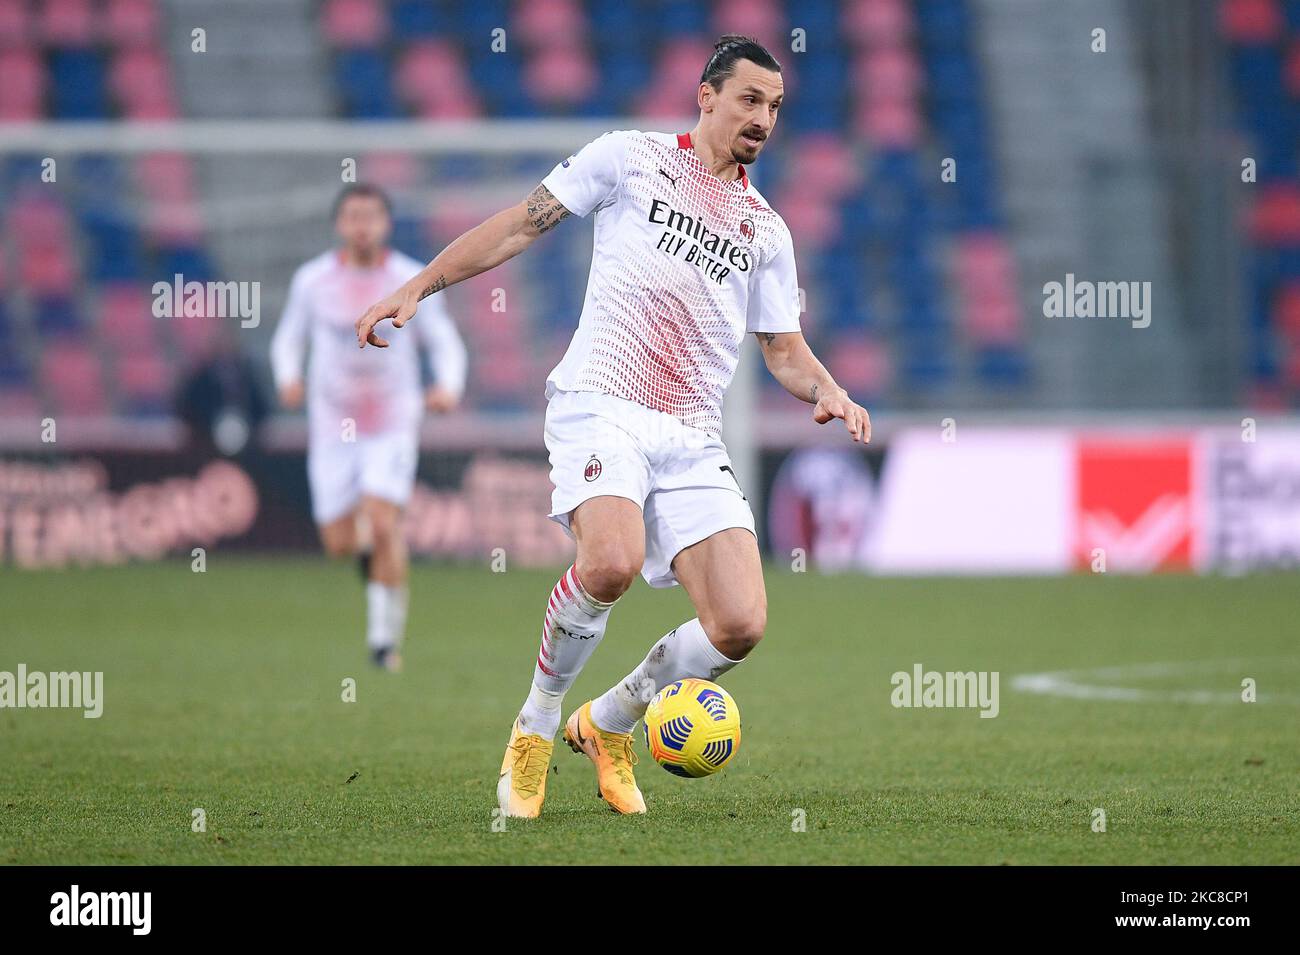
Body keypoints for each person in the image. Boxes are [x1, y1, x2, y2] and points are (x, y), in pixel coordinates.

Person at [354, 36, 870, 812]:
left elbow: (782, 347)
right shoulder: (627, 159)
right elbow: (521, 224)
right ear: (707, 96)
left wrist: (825, 387)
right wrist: (421, 284)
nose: (764, 118)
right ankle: (535, 722)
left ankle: (611, 720)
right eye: (749, 99)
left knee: (739, 622)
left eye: (775, 106)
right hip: (604, 401)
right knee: (610, 564)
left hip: (692, 433)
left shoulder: (766, 231)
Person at [272, 184, 467, 671]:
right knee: (340, 544)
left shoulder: (409, 279)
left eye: (372, 216)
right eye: (353, 217)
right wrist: (288, 378)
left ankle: (384, 644)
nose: (363, 226)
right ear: (340, 225)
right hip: (333, 424)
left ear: (386, 224)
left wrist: (448, 385)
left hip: (393, 421)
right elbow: (287, 340)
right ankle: (373, 558)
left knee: (383, 523)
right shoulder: (312, 281)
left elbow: (443, 339)